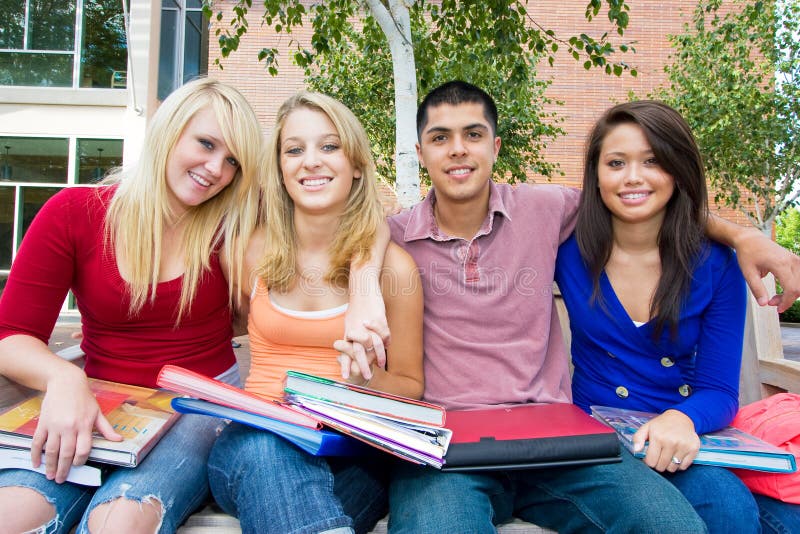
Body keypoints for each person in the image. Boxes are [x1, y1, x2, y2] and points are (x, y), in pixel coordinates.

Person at [332, 80, 800, 533]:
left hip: (556, 441)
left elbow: (642, 199)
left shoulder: (546, 208)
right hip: (443, 446)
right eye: (440, 137)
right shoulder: (395, 235)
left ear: (495, 148)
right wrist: (365, 284)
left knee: (669, 523)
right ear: (421, 153)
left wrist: (742, 235)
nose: (458, 149)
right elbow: (362, 234)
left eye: (473, 134)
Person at [0, 78, 388, 534]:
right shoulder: (74, 213)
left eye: (232, 161)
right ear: (170, 130)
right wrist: (63, 377)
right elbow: (11, 334)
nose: (214, 169)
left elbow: (358, 215)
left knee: (119, 521)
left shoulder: (237, 222)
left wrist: (365, 289)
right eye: (205, 144)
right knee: (17, 514)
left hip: (198, 411)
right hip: (94, 401)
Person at [555, 100, 800, 534]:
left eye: (653, 161)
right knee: (727, 509)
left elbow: (720, 390)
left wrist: (682, 418)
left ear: (677, 169)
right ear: (596, 174)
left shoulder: (714, 265)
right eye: (616, 162)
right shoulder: (566, 250)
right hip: (596, 436)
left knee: (740, 509)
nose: (633, 177)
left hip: (683, 434)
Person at [207, 92, 424, 534]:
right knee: (271, 456)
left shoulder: (393, 268)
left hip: (349, 451)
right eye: (294, 149)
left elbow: (411, 387)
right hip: (255, 441)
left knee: (305, 498)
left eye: (329, 147)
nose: (311, 161)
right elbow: (217, 329)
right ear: (280, 168)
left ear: (356, 164)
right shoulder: (250, 252)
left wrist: (368, 381)